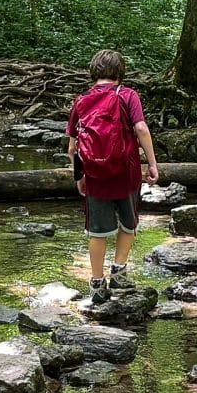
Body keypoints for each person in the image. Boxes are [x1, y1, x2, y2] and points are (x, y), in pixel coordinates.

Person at [67, 49, 159, 304]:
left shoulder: (81, 101)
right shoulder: (127, 95)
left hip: (95, 174)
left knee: (97, 231)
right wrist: (152, 164)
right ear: (120, 72)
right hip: (126, 171)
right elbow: (140, 128)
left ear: (93, 72)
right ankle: (119, 272)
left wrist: (79, 176)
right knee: (129, 223)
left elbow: (72, 148)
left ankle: (97, 285)